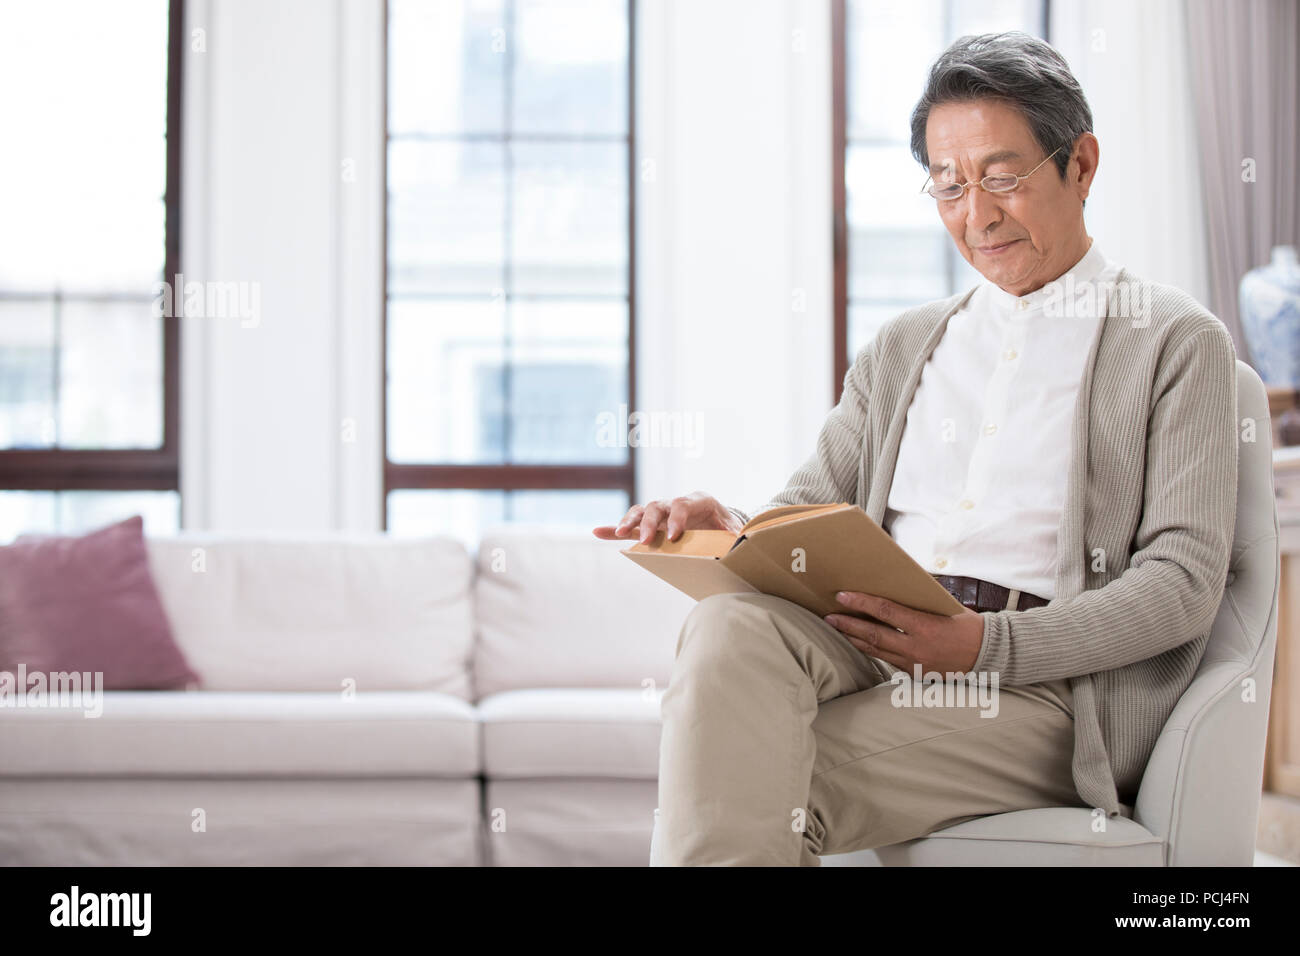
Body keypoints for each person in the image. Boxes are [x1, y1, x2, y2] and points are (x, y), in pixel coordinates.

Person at [592, 31, 1237, 866]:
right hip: (871, 636)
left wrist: (981, 647)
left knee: (742, 785)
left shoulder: (1176, 341)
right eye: (949, 184)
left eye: (1003, 177)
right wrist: (732, 527)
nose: (977, 215)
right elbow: (810, 512)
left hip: (1041, 690)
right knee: (728, 625)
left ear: (1080, 164)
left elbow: (1183, 586)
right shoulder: (906, 344)